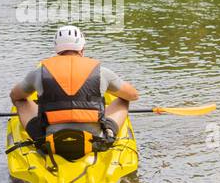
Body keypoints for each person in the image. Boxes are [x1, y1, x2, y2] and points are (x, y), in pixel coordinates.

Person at [10, 26, 139, 155]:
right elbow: (133, 95)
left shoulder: (39, 73)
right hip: (94, 141)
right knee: (124, 99)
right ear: (82, 49)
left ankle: (39, 136)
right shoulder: (101, 72)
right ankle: (109, 131)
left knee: (21, 101)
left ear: (57, 50)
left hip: (51, 142)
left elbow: (15, 95)